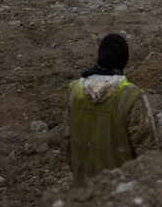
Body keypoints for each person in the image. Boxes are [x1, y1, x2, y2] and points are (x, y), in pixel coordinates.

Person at [67, 33, 156, 186]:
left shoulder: (75, 92)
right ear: (124, 61)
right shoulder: (131, 97)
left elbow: (67, 142)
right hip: (121, 191)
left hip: (83, 190)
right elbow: (146, 151)